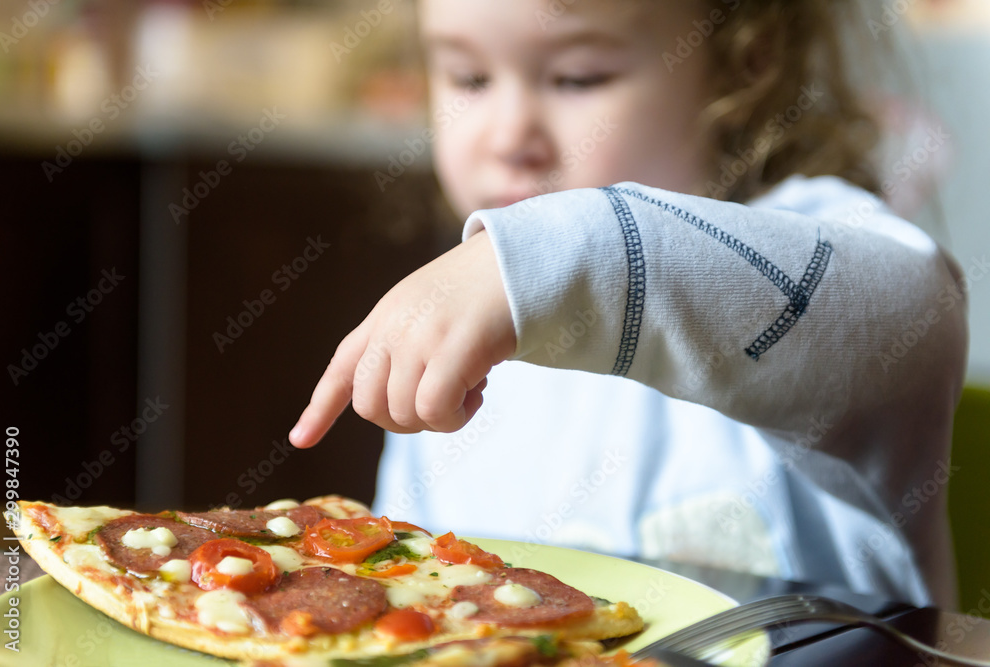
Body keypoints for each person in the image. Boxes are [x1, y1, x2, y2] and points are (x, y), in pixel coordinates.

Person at [289, 0, 968, 608]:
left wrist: (586, 250)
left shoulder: (811, 238)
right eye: (469, 78)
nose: (507, 136)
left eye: (578, 77)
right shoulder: (452, 341)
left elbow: (911, 306)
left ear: (743, 66)